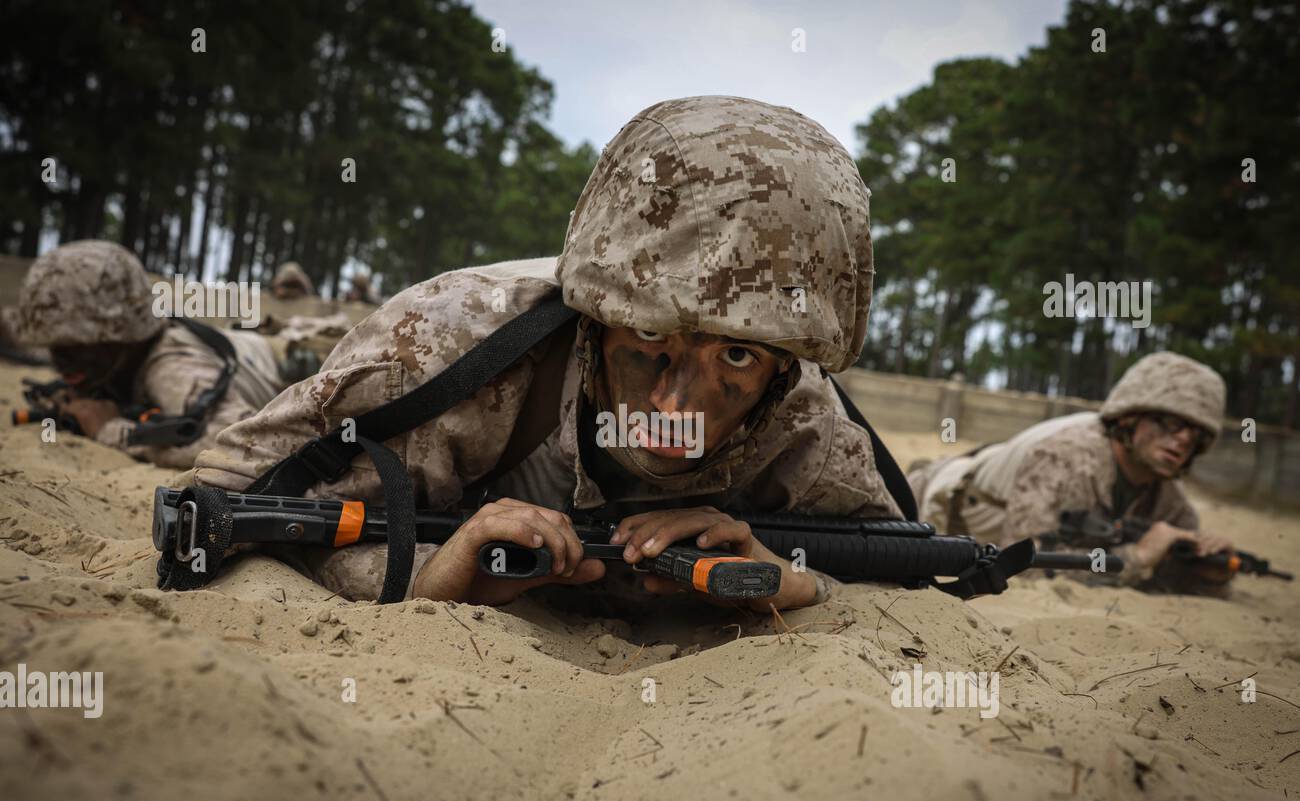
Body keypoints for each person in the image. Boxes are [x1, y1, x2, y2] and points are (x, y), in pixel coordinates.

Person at [188, 95, 904, 608]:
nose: (675, 406)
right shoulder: (448, 347)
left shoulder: (803, 417)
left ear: (786, 363)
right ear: (594, 318)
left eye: (738, 358)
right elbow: (218, 500)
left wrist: (791, 580)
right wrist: (433, 574)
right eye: (650, 338)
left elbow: (904, 575)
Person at [908, 352, 1234, 593]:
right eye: (1172, 423)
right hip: (927, 493)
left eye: (1196, 435)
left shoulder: (1168, 498)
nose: (1183, 439)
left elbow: (1168, 576)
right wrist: (1136, 557)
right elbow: (1025, 566)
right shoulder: (1067, 458)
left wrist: (1209, 571)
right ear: (1129, 418)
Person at [14, 240, 285, 469]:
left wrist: (110, 429)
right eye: (54, 345)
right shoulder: (122, 357)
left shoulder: (171, 368)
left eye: (80, 344)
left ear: (124, 333)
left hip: (276, 358)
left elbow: (248, 447)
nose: (61, 359)